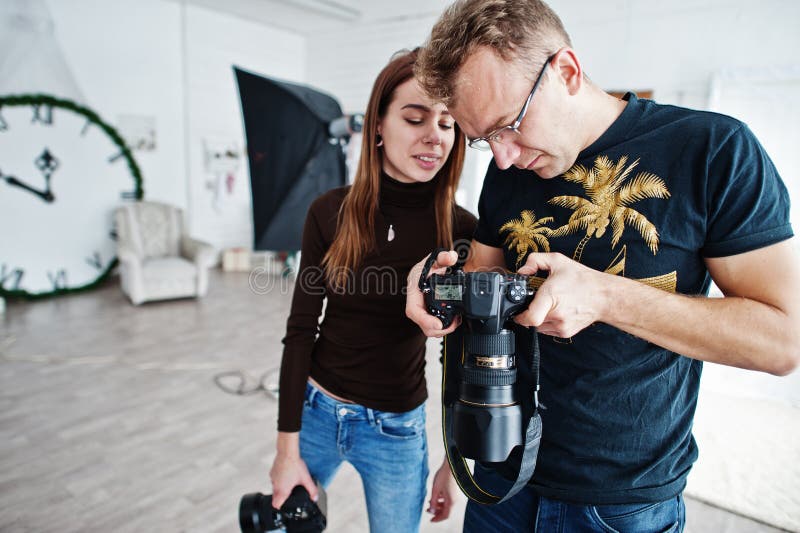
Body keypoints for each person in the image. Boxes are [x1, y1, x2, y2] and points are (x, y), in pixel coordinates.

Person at [405, 1, 800, 531]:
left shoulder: (713, 150)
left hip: (620, 502)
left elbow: (783, 341)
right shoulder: (510, 166)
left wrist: (605, 297)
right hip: (500, 467)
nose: (502, 157)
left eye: (510, 125)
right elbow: (486, 281)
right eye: (484, 139)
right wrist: (438, 281)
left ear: (565, 71)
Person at [269, 48, 477, 532]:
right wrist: (285, 450)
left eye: (447, 123)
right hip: (315, 411)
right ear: (378, 126)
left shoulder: (462, 232)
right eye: (415, 117)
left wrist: (453, 462)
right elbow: (300, 330)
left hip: (395, 431)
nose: (434, 136)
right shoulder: (329, 212)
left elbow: (463, 356)